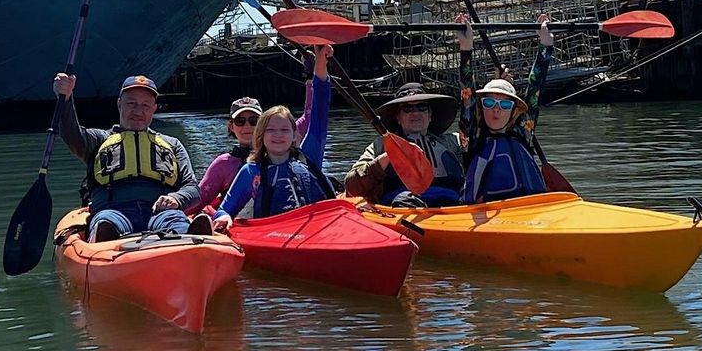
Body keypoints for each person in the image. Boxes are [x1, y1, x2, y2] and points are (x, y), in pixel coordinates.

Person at [53, 71, 212, 242]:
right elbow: (71, 135)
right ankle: (105, 246)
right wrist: (66, 99)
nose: (138, 111)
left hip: (161, 213)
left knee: (176, 222)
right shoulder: (98, 140)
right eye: (132, 103)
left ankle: (190, 241)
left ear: (154, 109)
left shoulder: (172, 144)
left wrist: (176, 198)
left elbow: (192, 188)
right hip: (113, 211)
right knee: (105, 223)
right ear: (119, 104)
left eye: (145, 105)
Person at [188, 46, 327, 216]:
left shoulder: (305, 154)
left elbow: (316, 115)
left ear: (294, 134)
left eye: (254, 120)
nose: (247, 126)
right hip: (259, 229)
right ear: (231, 126)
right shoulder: (243, 168)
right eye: (240, 121)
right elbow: (209, 203)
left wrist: (315, 74)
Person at [459, 14, 556, 205]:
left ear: (514, 112)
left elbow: (535, 87)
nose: (496, 111)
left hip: (526, 209)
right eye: (489, 103)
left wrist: (545, 44)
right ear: (481, 107)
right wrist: (466, 46)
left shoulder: (523, 131)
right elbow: (467, 92)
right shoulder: (472, 137)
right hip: (478, 214)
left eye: (504, 105)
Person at [343, 82, 463, 207]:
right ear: (398, 117)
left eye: (421, 107)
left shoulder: (453, 141)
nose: (415, 113)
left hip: (454, 207)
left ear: (430, 115)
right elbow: (351, 187)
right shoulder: (380, 145)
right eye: (407, 108)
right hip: (403, 207)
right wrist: (387, 157)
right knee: (405, 199)